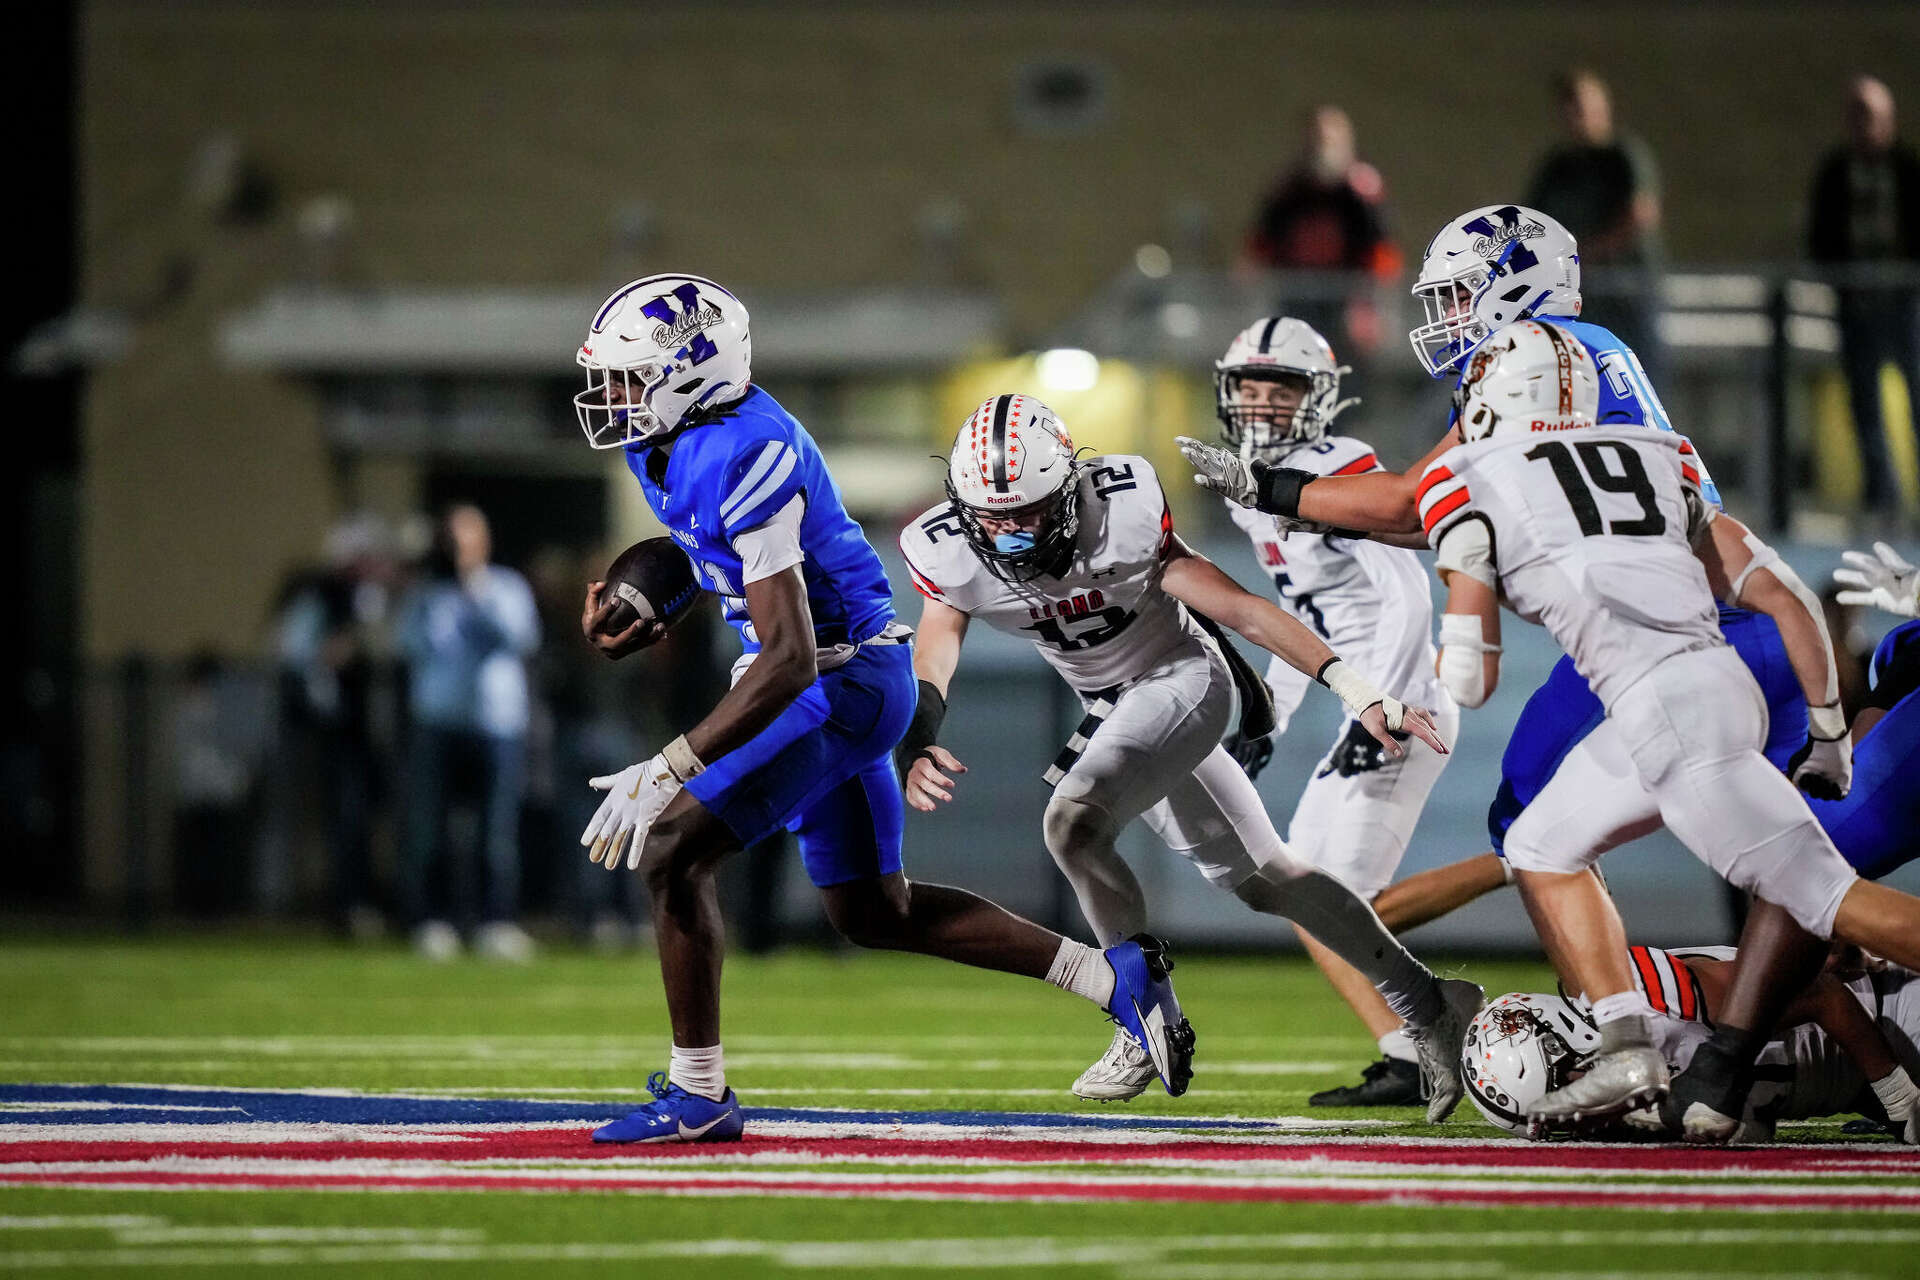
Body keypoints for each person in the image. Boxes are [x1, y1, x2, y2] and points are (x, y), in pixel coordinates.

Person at [1176, 204, 1863, 1139]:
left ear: (1516, 289)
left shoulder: (1534, 358)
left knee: (1768, 876)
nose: (1451, 316)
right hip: (1705, 625)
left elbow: (1427, 510)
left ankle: (1652, 1040)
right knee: (1569, 838)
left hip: (1664, 632)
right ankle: (1679, 1057)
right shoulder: (1583, 354)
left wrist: (1280, 495)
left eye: (1463, 293)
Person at [573, 275, 1191, 1145]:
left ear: (693, 372)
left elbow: (787, 660)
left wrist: (671, 761)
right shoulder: (678, 439)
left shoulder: (746, 449)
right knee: (874, 911)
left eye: (633, 377)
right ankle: (1114, 979)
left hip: (835, 681)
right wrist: (652, 594)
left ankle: (699, 1095)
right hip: (834, 676)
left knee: (672, 848)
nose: (615, 398)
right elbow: (704, 545)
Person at [898, 392, 1479, 1117]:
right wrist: (920, 728)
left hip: (1183, 680)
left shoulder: (1121, 513)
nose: (1010, 533)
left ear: (1071, 489)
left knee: (1072, 823)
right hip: (1114, 709)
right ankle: (1430, 1003)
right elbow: (938, 637)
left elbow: (1240, 608)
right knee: (1269, 880)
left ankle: (1146, 1015)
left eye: (1029, 513)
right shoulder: (947, 547)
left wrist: (1354, 686)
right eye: (993, 517)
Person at [1414, 321, 1920, 1139]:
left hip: (1663, 710)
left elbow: (1471, 677)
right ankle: (1623, 1045)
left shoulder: (1472, 477)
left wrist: (1459, 634)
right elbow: (1788, 598)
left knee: (1831, 900)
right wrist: (1827, 735)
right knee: (1539, 843)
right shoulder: (1660, 453)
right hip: (1714, 683)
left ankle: (1634, 1044)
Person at [1207, 318, 1458, 1105]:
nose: (1260, 403)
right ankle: (1408, 1049)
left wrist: (1384, 704)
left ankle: (1523, 865)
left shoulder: (1334, 467)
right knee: (1301, 891)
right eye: (1248, 387)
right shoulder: (1258, 493)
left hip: (1400, 703)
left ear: (1317, 399)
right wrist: (1268, 718)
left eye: (1279, 389)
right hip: (1375, 697)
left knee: (1344, 898)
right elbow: (1300, 621)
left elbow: (1407, 590)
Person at [1464, 947, 1919, 1145]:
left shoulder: (1643, 997)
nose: (1573, 1118)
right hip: (1855, 1082)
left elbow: (1823, 993)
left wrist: (1897, 1096)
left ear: (1566, 1033)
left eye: (1564, 1089)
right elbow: (1752, 1123)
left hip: (1889, 1018)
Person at [396, 504, 541, 962]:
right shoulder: (425, 594)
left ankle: (496, 921)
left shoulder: (505, 587)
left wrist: (473, 594)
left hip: (498, 723)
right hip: (438, 722)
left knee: (496, 830)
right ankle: (433, 920)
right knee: (431, 826)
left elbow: (519, 638)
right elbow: (405, 644)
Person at [1808, 77, 1920, 514]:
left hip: (1906, 304)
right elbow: (1821, 234)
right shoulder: (1835, 173)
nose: (1865, 125)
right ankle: (1882, 499)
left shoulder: (1907, 170)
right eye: (1857, 116)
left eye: (1871, 115)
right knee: (1865, 407)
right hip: (1857, 307)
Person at [1526, 70, 1664, 373]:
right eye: (1571, 107)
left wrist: (1587, 254)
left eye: (1585, 106)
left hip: (1626, 294)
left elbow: (1640, 213)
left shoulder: (1623, 157)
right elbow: (1531, 223)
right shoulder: (1557, 167)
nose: (1579, 116)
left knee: (1633, 386)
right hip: (1581, 299)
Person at [1240, 106, 1401, 353]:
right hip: (1295, 296)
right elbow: (1260, 246)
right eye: (1317, 138)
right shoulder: (1289, 189)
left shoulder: (1361, 191)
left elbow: (1382, 253)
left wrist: (1372, 308)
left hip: (1346, 301)